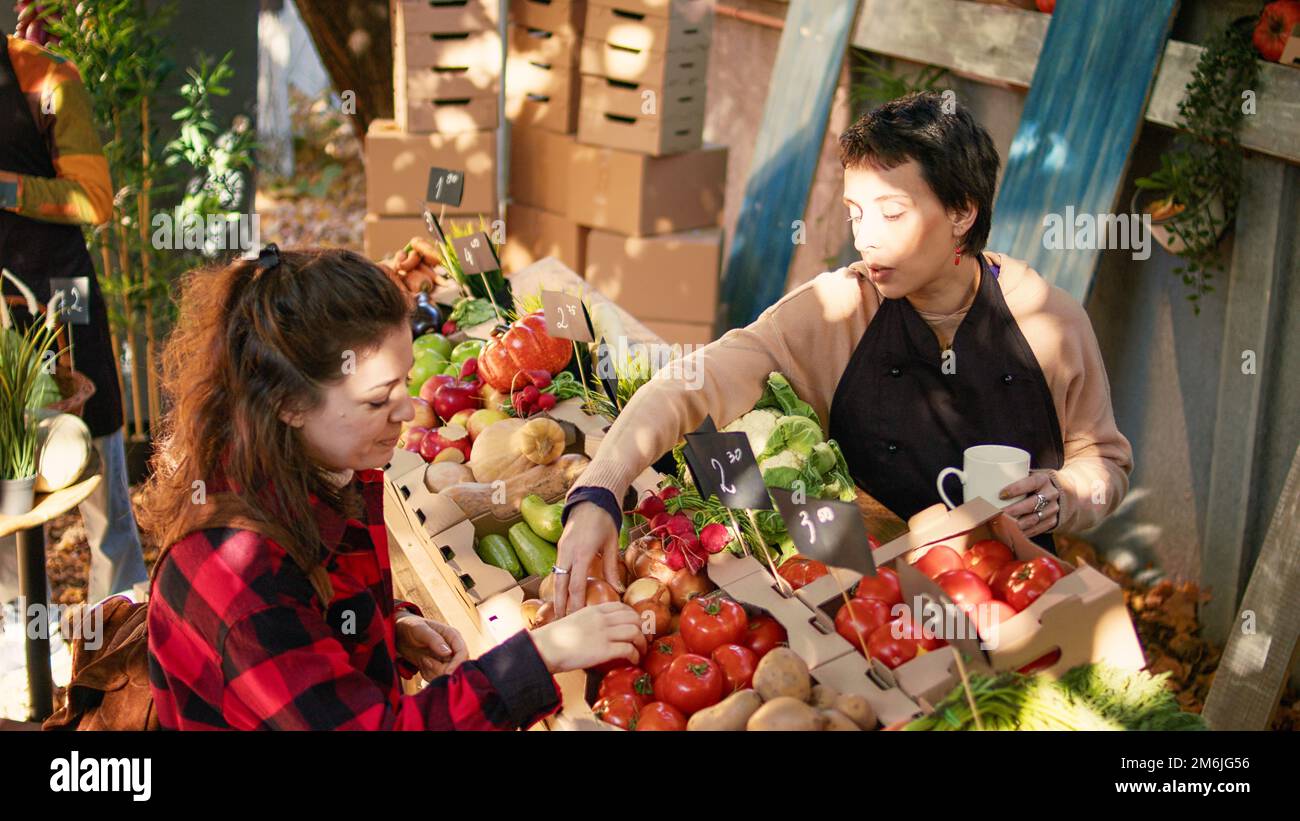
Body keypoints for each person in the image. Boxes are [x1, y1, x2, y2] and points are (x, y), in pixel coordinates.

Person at [553, 91, 1134, 615]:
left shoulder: (1050, 323)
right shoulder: (836, 311)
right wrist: (599, 489)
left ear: (962, 212)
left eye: (892, 213)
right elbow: (692, 382)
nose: (866, 238)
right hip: (865, 607)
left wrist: (1068, 495)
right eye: (856, 213)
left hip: (1015, 600)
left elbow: (1103, 460)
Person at [140, 247, 645, 730]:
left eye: (405, 382)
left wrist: (389, 629)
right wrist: (540, 656)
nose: (406, 412)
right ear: (289, 404)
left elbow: (319, 612)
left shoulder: (325, 468)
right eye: (379, 398)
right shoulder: (240, 576)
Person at [0, 30, 147, 604]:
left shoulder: (49, 78)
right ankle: (12, 614)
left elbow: (95, 199)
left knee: (97, 430)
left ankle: (123, 606)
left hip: (59, 289)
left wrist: (6, 187)